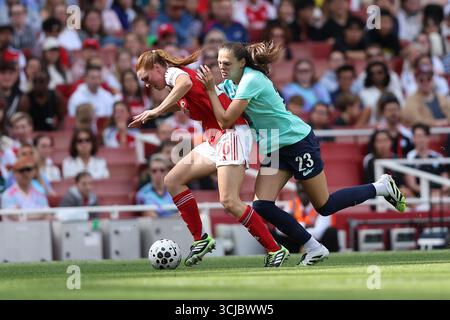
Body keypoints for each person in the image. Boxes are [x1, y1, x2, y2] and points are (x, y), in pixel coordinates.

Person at [197, 41, 407, 266]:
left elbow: (226, 119)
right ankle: (314, 247)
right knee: (261, 205)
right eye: (219, 63)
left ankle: (381, 187)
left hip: (296, 141)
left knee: (324, 206)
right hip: (274, 148)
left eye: (226, 63)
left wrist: (209, 89)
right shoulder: (231, 83)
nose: (222, 68)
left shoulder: (251, 80)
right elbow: (207, 101)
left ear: (242, 62)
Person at [129, 48, 288, 267]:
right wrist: (162, 110)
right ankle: (200, 239)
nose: (146, 84)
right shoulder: (175, 81)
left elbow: (184, 84)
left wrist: (155, 111)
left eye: (146, 78)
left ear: (157, 67)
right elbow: (185, 97)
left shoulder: (173, 74)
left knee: (229, 200)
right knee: (173, 180)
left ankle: (275, 249)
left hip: (232, 134)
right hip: (216, 138)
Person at [405, 123, 450, 203]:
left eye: (423, 136)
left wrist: (439, 192)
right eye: (418, 136)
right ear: (413, 138)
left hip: (439, 194)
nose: (421, 140)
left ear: (428, 138)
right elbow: (412, 184)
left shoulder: (438, 157)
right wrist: (429, 193)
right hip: (419, 196)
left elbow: (445, 180)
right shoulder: (409, 157)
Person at [1, 156, 49, 221]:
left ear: (34, 171)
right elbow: (16, 218)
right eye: (21, 170)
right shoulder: (7, 195)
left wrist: (24, 215)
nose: (25, 173)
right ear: (14, 173)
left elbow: (48, 214)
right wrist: (40, 215)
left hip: (39, 229)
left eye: (28, 169)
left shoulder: (40, 191)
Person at [136, 154, 178, 218]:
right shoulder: (142, 193)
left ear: (167, 171)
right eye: (154, 171)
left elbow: (183, 212)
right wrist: (173, 217)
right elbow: (149, 214)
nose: (158, 174)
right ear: (149, 172)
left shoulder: (176, 191)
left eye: (162, 170)